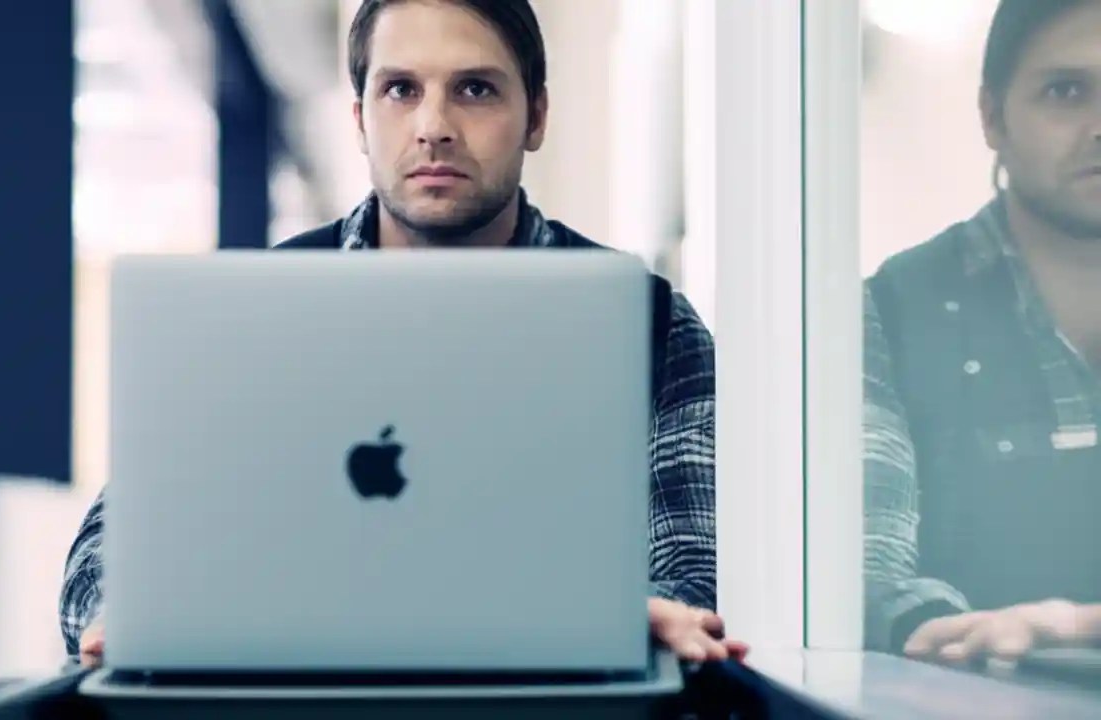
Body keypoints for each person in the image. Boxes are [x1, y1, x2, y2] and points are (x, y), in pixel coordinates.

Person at [61, 0, 745, 669]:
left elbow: (695, 560)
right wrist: (122, 609)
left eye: (475, 89)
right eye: (400, 90)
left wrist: (648, 613)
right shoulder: (252, 318)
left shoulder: (644, 322)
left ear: (536, 116)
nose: (434, 126)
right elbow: (107, 551)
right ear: (360, 119)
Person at [864, 0, 1101, 665]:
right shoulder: (893, 309)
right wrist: (957, 638)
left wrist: (1070, 625)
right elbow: (872, 564)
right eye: (1066, 91)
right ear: (993, 117)